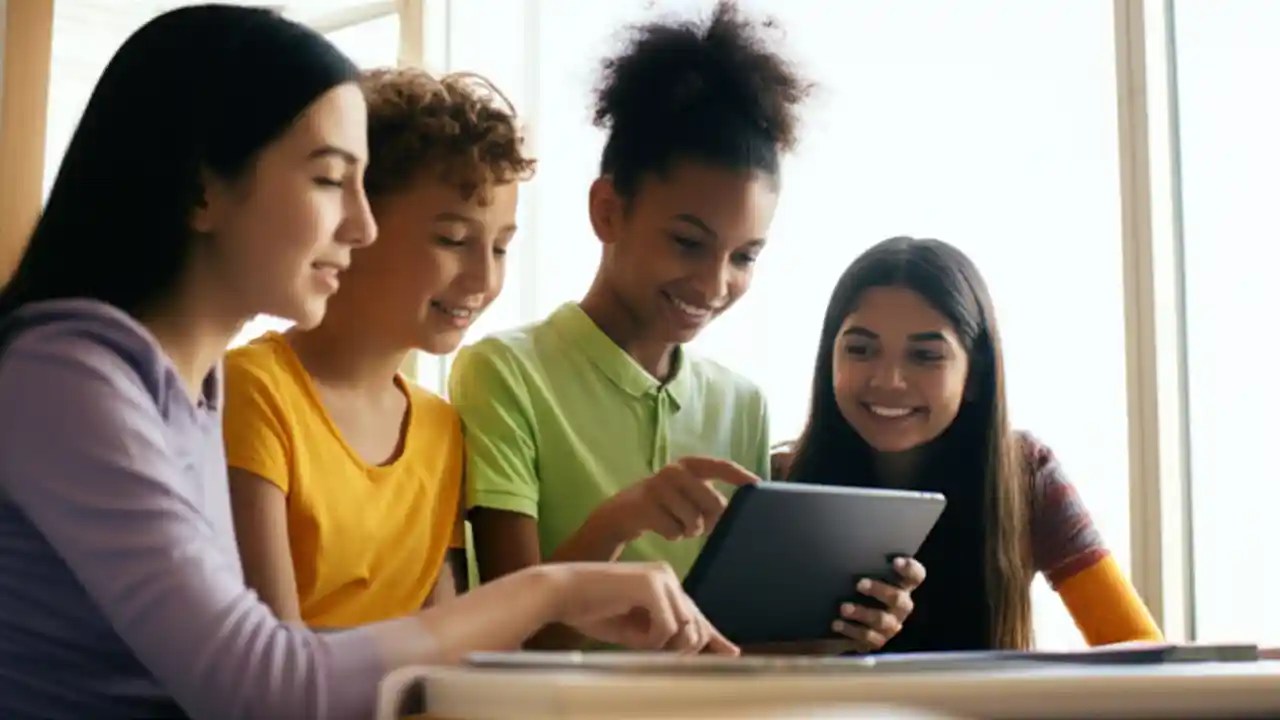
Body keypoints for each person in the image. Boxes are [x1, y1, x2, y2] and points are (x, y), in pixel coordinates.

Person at [0, 7, 733, 719]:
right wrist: (552, 590)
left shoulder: (194, 386)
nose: (361, 225)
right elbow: (264, 690)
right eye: (329, 179)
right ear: (201, 189)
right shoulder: (67, 376)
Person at [449, 0, 924, 653]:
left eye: (745, 256)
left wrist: (842, 629)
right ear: (608, 210)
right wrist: (619, 520)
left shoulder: (741, 404)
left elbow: (732, 643)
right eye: (688, 242)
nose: (713, 283)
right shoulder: (505, 373)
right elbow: (508, 638)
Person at [222, 68, 532, 628]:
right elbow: (270, 658)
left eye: (501, 248)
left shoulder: (441, 429)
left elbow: (442, 643)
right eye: (453, 240)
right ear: (355, 224)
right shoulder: (253, 391)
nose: (484, 279)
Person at [776, 236, 1162, 651]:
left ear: (974, 375)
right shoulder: (778, 482)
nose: (889, 380)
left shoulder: (1025, 476)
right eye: (861, 349)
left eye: (925, 356)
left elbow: (1139, 649)